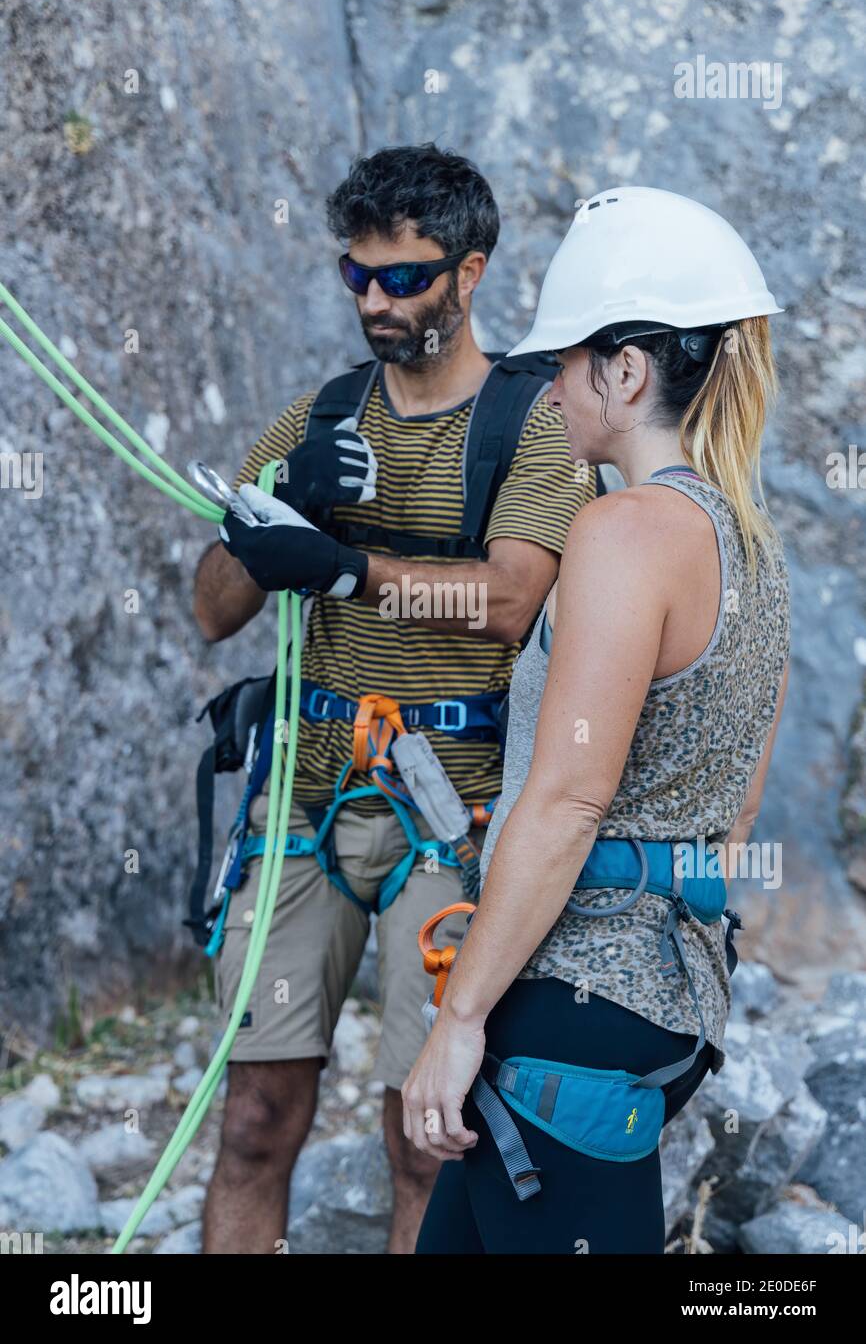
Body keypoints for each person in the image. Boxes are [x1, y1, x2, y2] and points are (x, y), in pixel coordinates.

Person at [192, 144, 597, 1253]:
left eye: (403, 277)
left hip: (451, 815)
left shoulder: (536, 424)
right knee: (255, 1120)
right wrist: (269, 511)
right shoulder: (316, 418)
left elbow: (513, 599)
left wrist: (342, 566)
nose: (374, 301)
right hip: (302, 807)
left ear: (469, 275)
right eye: (355, 276)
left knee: (424, 1132)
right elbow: (212, 607)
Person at [403, 185, 791, 1255]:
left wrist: (458, 1017)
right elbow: (730, 805)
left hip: (566, 997)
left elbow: (571, 798)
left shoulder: (622, 531)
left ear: (623, 371)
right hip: (663, 995)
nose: (546, 393)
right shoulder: (750, 550)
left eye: (559, 365)